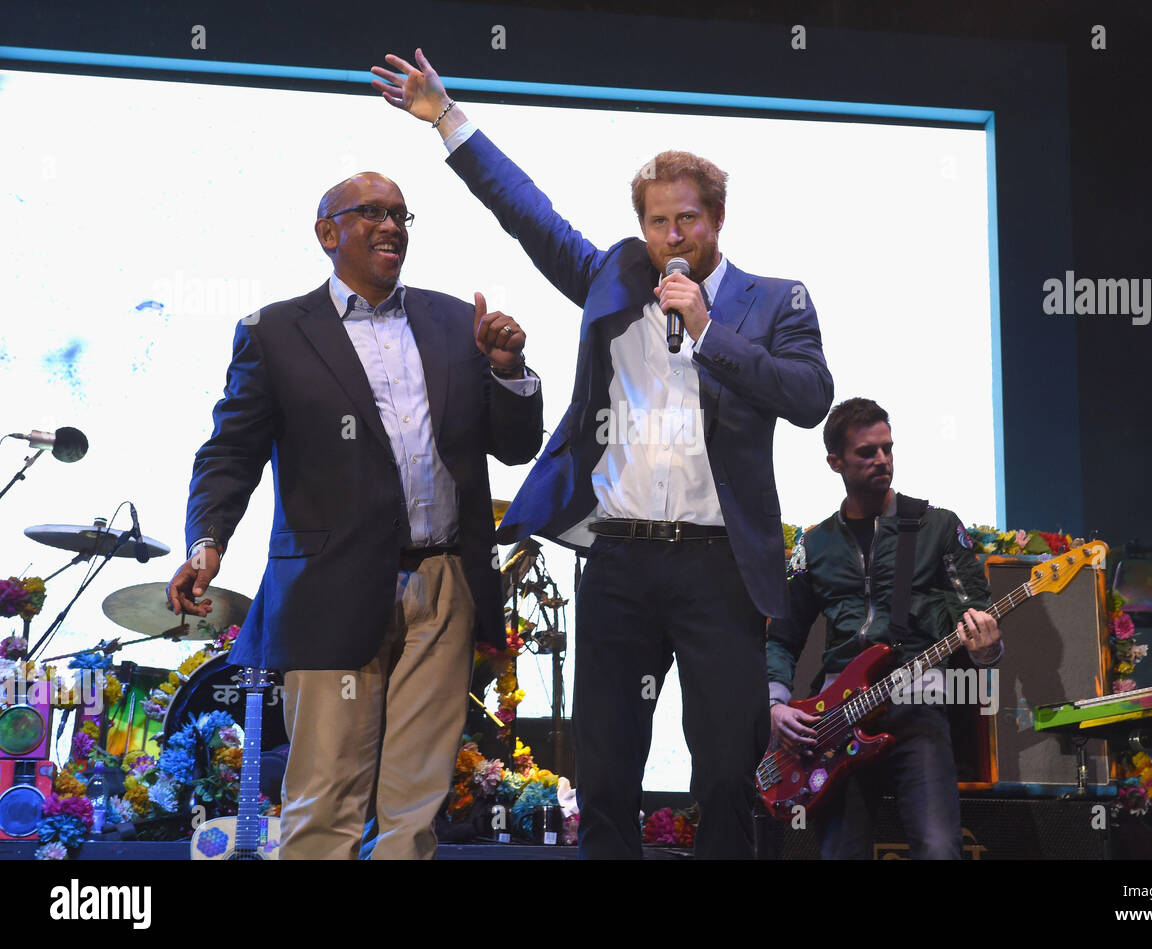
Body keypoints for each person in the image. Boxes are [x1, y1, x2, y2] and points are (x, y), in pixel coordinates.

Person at [369, 49, 834, 858]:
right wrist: (447, 118)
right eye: (657, 221)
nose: (671, 236)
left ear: (716, 219)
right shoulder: (612, 279)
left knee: (728, 771)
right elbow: (530, 213)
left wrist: (710, 332)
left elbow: (808, 397)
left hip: (718, 565)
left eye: (687, 219)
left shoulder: (774, 301)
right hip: (618, 562)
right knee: (608, 771)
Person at [165, 171, 544, 859]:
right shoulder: (277, 331)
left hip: (442, 584)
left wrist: (508, 370)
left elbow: (516, 447)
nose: (392, 225)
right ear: (327, 233)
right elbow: (230, 451)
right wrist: (207, 541)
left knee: (414, 811)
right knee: (325, 800)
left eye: (401, 214)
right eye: (371, 211)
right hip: (329, 589)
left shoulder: (457, 321)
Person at [766, 398, 1002, 859]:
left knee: (938, 849)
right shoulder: (813, 546)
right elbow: (781, 637)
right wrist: (776, 706)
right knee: (842, 853)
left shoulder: (936, 526)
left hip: (919, 704)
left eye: (888, 449)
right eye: (867, 452)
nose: (882, 460)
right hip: (835, 722)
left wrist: (987, 651)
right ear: (835, 462)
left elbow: (979, 613)